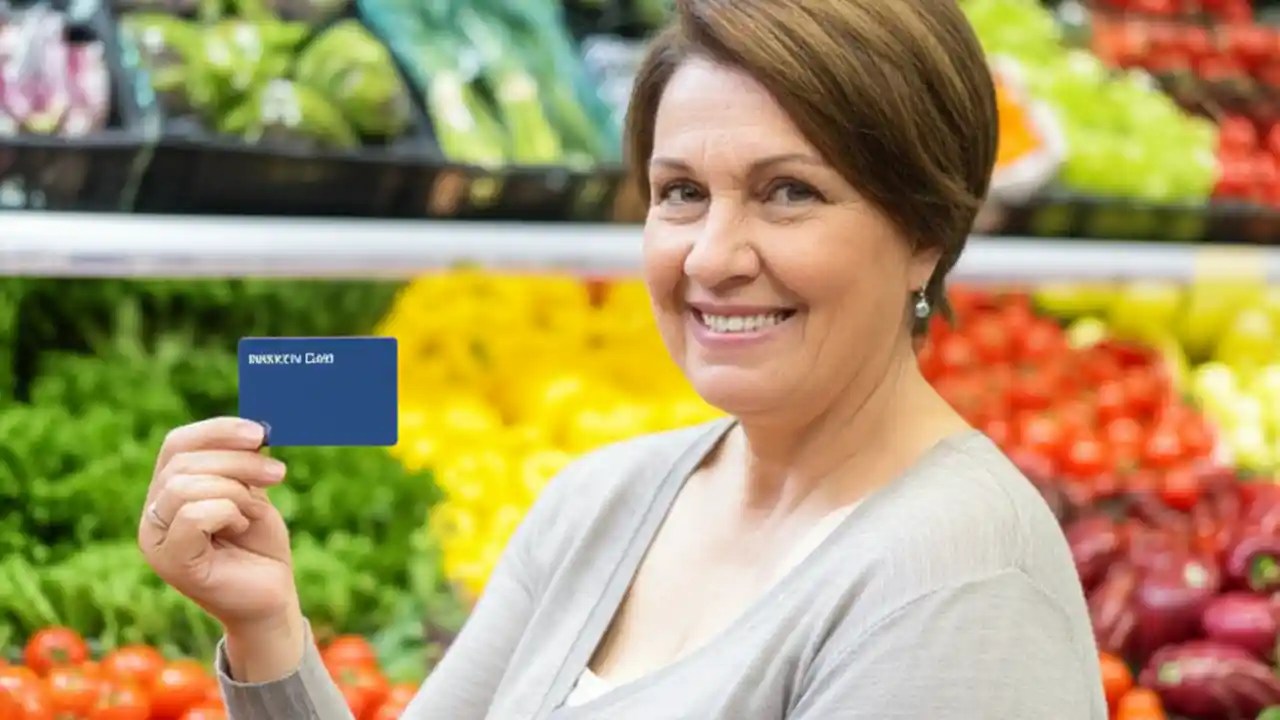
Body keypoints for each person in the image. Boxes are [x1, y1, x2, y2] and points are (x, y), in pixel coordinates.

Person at [139, 1, 1108, 718]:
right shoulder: (603, 502)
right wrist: (266, 631)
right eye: (680, 191)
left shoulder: (961, 585)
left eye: (788, 193)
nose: (713, 258)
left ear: (924, 233)